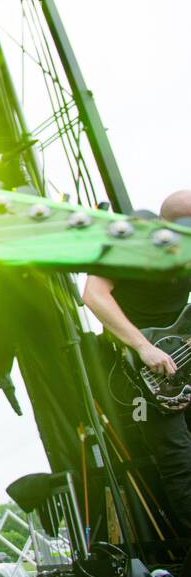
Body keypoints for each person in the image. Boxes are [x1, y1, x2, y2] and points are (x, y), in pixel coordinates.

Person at [83, 189, 191, 538]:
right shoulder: (128, 243)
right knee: (180, 460)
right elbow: (93, 295)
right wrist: (143, 346)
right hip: (144, 369)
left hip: (182, 358)